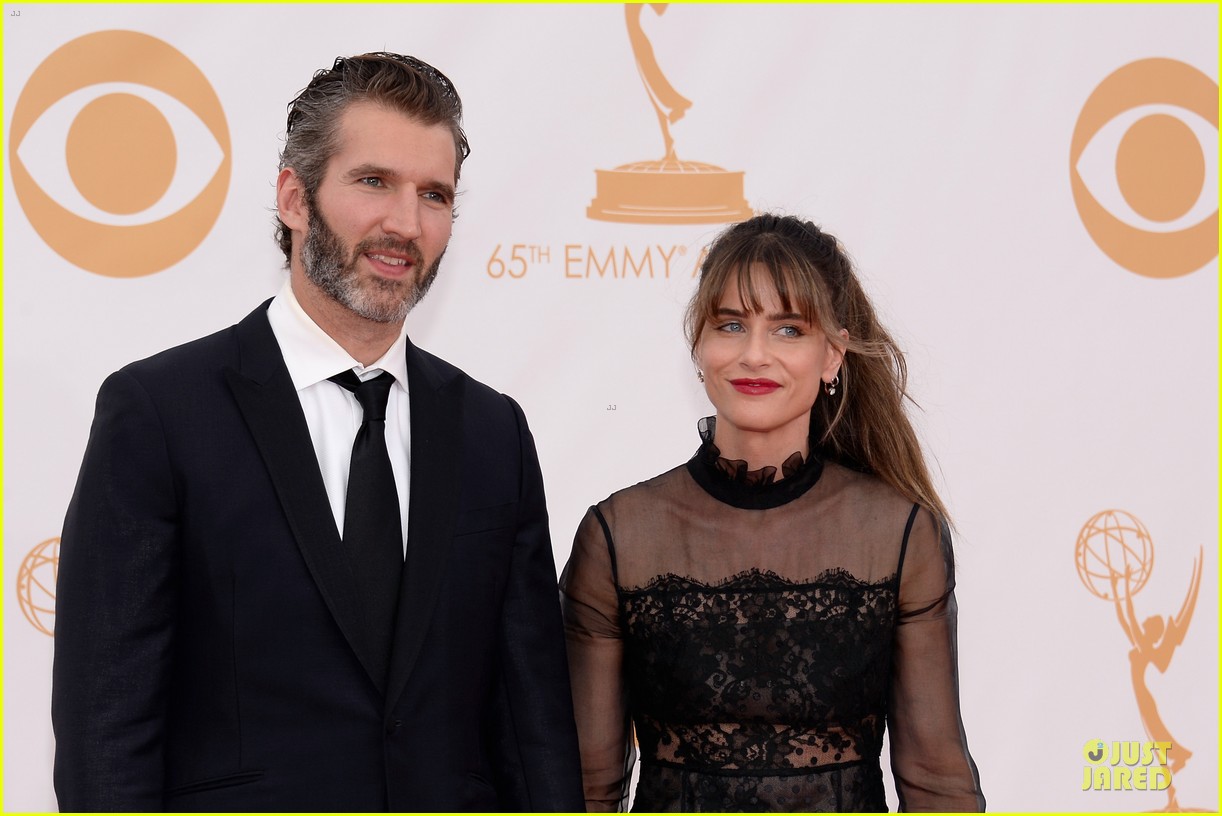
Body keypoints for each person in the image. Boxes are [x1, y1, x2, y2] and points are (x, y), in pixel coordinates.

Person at [52, 52, 583, 812]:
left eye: (434, 195)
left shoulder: (492, 431)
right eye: (373, 182)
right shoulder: (161, 412)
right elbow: (106, 724)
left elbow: (532, 730)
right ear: (294, 199)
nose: (406, 223)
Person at [560, 214, 985, 812]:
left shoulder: (899, 533)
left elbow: (937, 781)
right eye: (731, 325)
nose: (754, 354)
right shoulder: (618, 538)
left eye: (788, 330)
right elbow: (585, 787)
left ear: (832, 355)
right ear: (699, 347)